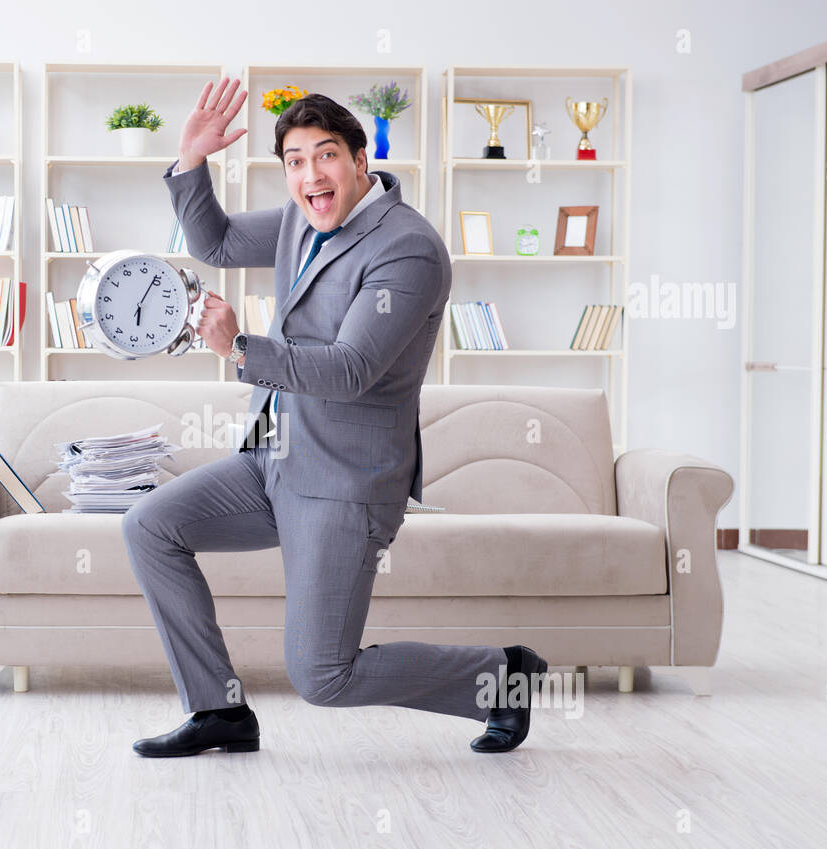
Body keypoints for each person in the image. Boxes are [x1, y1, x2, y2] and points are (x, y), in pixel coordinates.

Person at [122, 77, 547, 757]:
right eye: (294, 161)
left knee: (322, 674)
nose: (309, 174)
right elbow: (221, 242)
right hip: (272, 458)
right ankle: (218, 711)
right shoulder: (302, 216)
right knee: (149, 525)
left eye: (323, 155)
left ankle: (504, 678)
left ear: (358, 159)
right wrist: (192, 161)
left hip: (344, 483)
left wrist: (238, 346)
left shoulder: (407, 249)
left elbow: (352, 369)